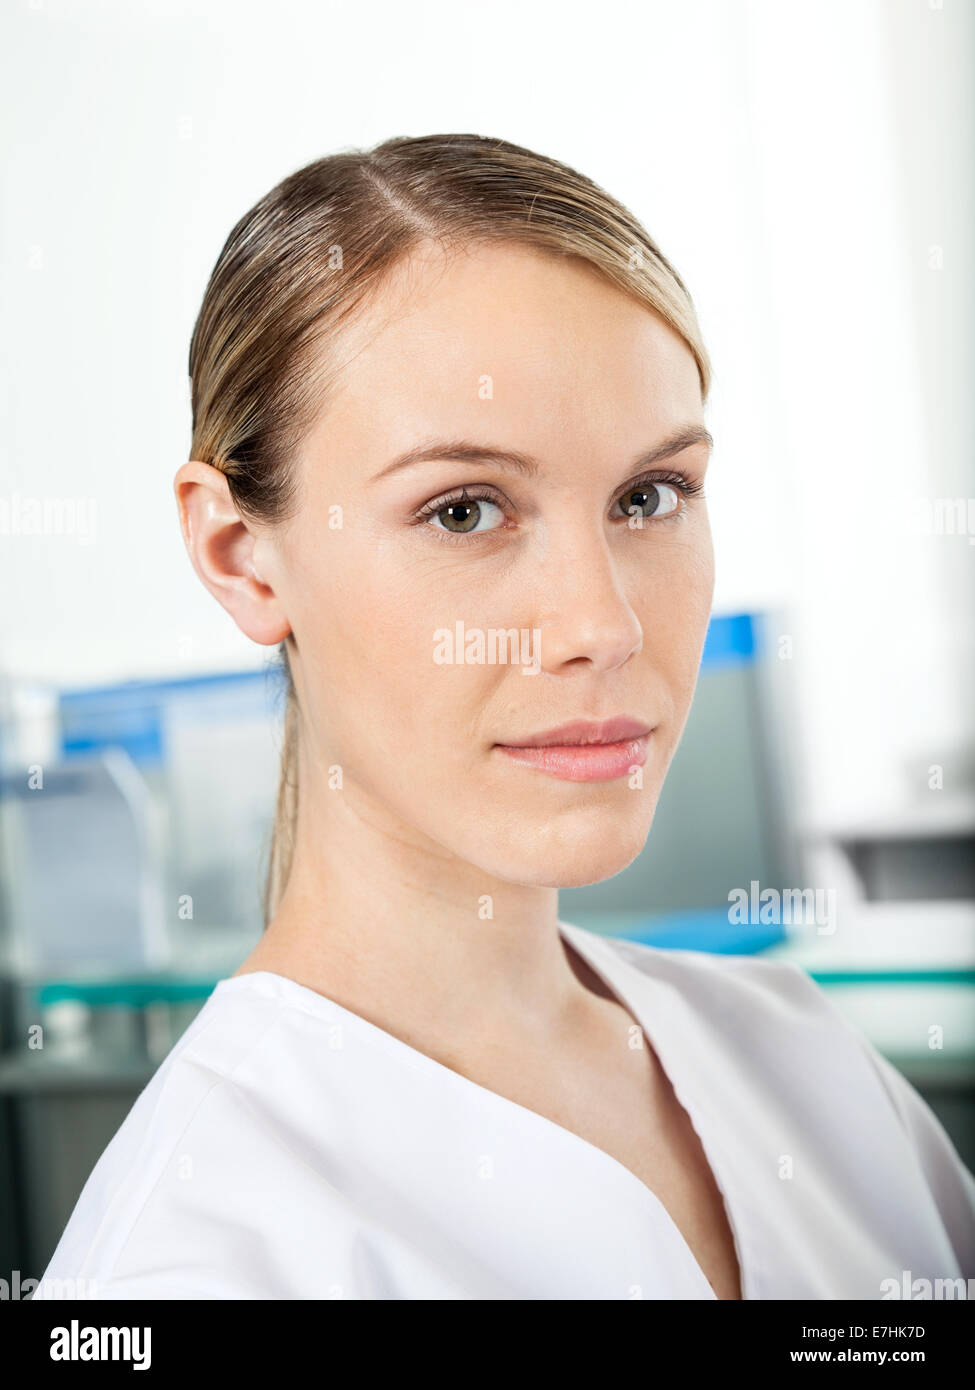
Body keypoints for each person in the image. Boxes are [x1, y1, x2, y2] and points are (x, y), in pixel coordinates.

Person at [33, 134, 975, 1301]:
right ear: (240, 557)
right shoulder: (199, 1255)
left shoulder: (797, 1057)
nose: (604, 624)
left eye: (651, 494)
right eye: (466, 509)